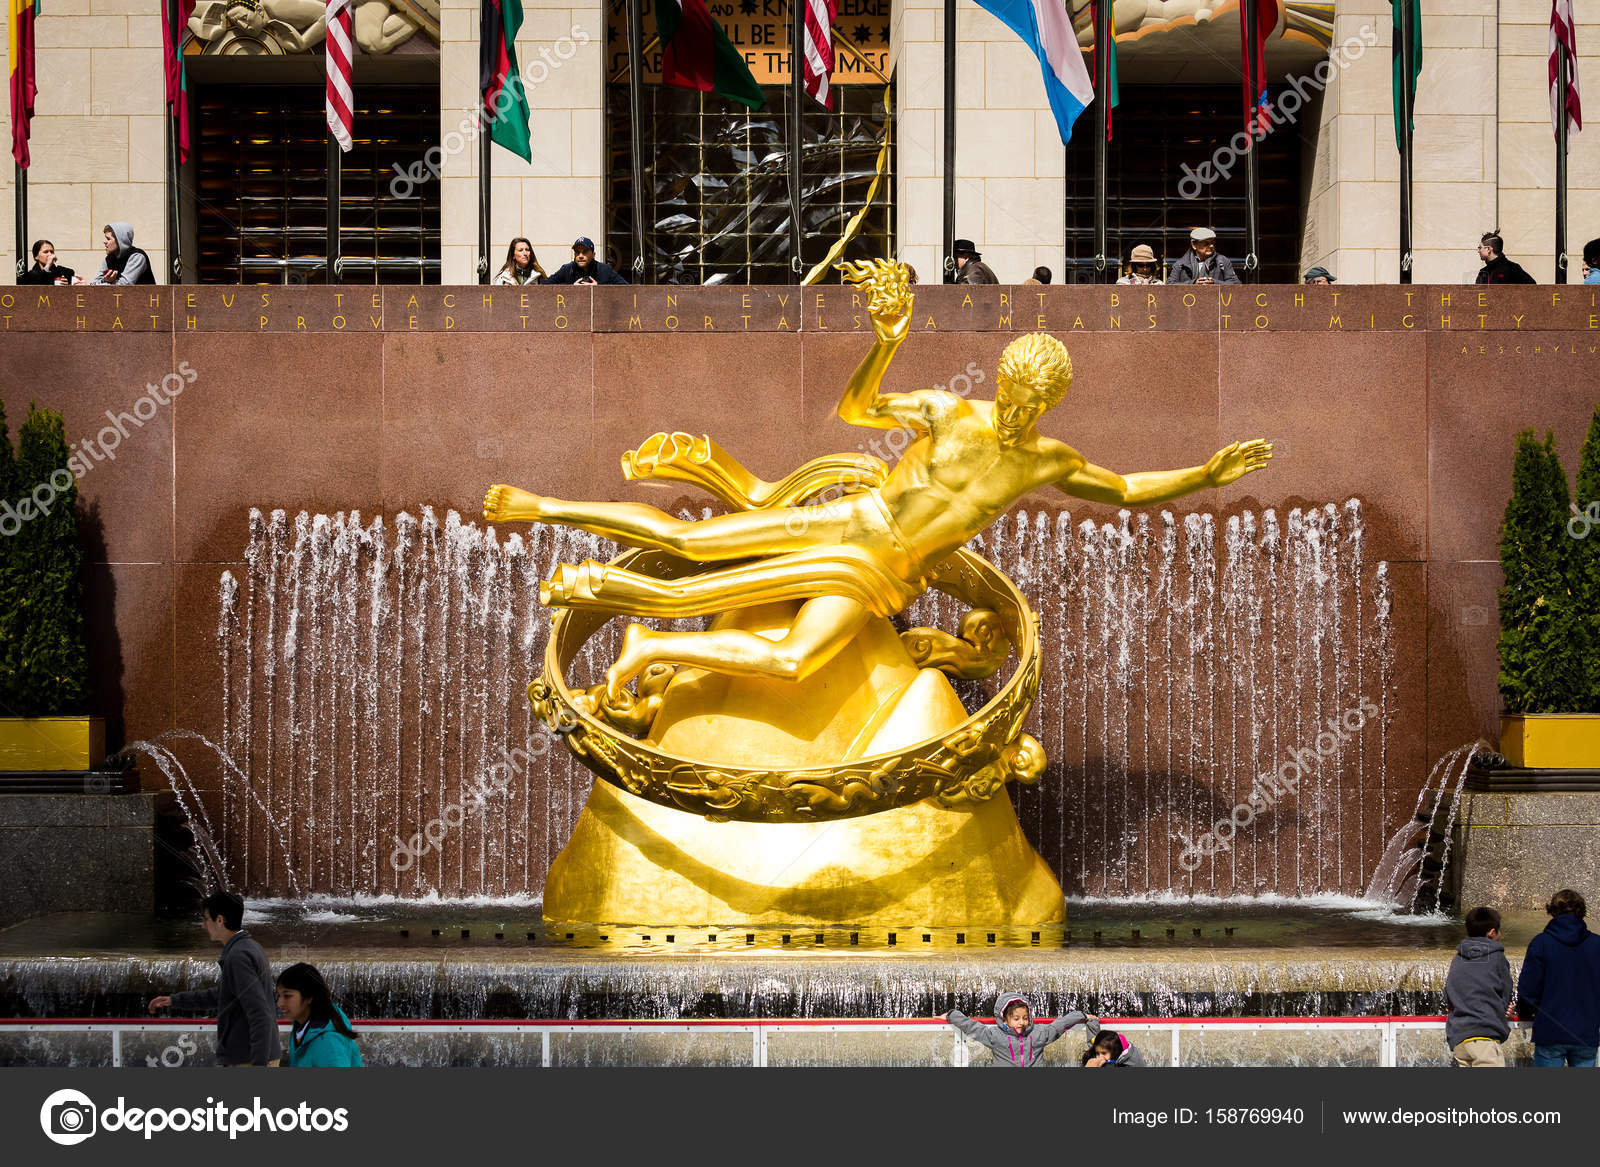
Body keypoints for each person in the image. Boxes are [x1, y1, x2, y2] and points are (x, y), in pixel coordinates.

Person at [484, 259, 1271, 696]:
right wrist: (886, 340)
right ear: (1000, 379)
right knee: (694, 547)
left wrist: (1205, 474)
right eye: (1012, 392)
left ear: (1050, 403)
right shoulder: (948, 411)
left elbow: (1124, 489)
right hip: (851, 522)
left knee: (793, 659)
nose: (1016, 410)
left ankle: (647, 642)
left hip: (886, 577)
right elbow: (856, 408)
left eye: (1033, 403)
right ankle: (546, 505)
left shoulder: (1047, 459)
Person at [147, 891, 282, 1067]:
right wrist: (175, 1000)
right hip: (252, 1056)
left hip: (247, 1060)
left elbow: (259, 1013)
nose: (203, 926)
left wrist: (259, 1064)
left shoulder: (238, 956)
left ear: (220, 920)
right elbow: (223, 995)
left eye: (206, 919)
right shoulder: (250, 947)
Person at [1516, 888, 1600, 1066]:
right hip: (1586, 1032)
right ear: (1581, 911)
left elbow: (1528, 988)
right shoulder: (1596, 944)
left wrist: (1525, 1012)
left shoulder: (1541, 942)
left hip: (1550, 1030)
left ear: (1552, 911)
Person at [943, 991, 1098, 1067]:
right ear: (1004, 1020)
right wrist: (951, 1015)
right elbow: (971, 1027)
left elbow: (1059, 1026)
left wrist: (1081, 1015)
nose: (1021, 1022)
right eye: (1016, 1019)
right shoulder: (994, 1035)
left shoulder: (1039, 1034)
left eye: (1025, 1018)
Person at [1443, 905, 1515, 1067]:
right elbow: (1506, 992)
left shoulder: (1458, 958)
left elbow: (1449, 991)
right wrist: (1503, 1009)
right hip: (1484, 1037)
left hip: (1459, 1039)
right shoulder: (1497, 957)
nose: (1500, 935)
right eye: (1499, 931)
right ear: (1492, 932)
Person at [276, 963, 363, 1068]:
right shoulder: (300, 1026)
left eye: (287, 996)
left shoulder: (328, 1042)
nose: (279, 1003)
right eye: (279, 995)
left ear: (309, 997)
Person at [1166, 227, 1239, 285]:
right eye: (1206, 243)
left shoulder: (1222, 261)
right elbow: (1169, 285)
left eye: (1212, 242)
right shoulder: (1181, 264)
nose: (1211, 246)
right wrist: (1193, 283)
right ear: (1194, 245)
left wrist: (1214, 283)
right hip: (1190, 299)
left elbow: (1236, 283)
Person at [543, 236, 629, 285]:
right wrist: (571, 288)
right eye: (577, 252)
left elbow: (626, 288)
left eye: (585, 252)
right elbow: (545, 285)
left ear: (593, 255)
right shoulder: (567, 269)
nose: (580, 256)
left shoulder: (605, 270)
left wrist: (600, 288)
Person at [90, 222, 155, 285]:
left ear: (120, 241)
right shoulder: (109, 259)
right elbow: (93, 284)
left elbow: (124, 285)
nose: (104, 241)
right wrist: (104, 280)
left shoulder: (137, 256)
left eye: (108, 239)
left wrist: (106, 283)